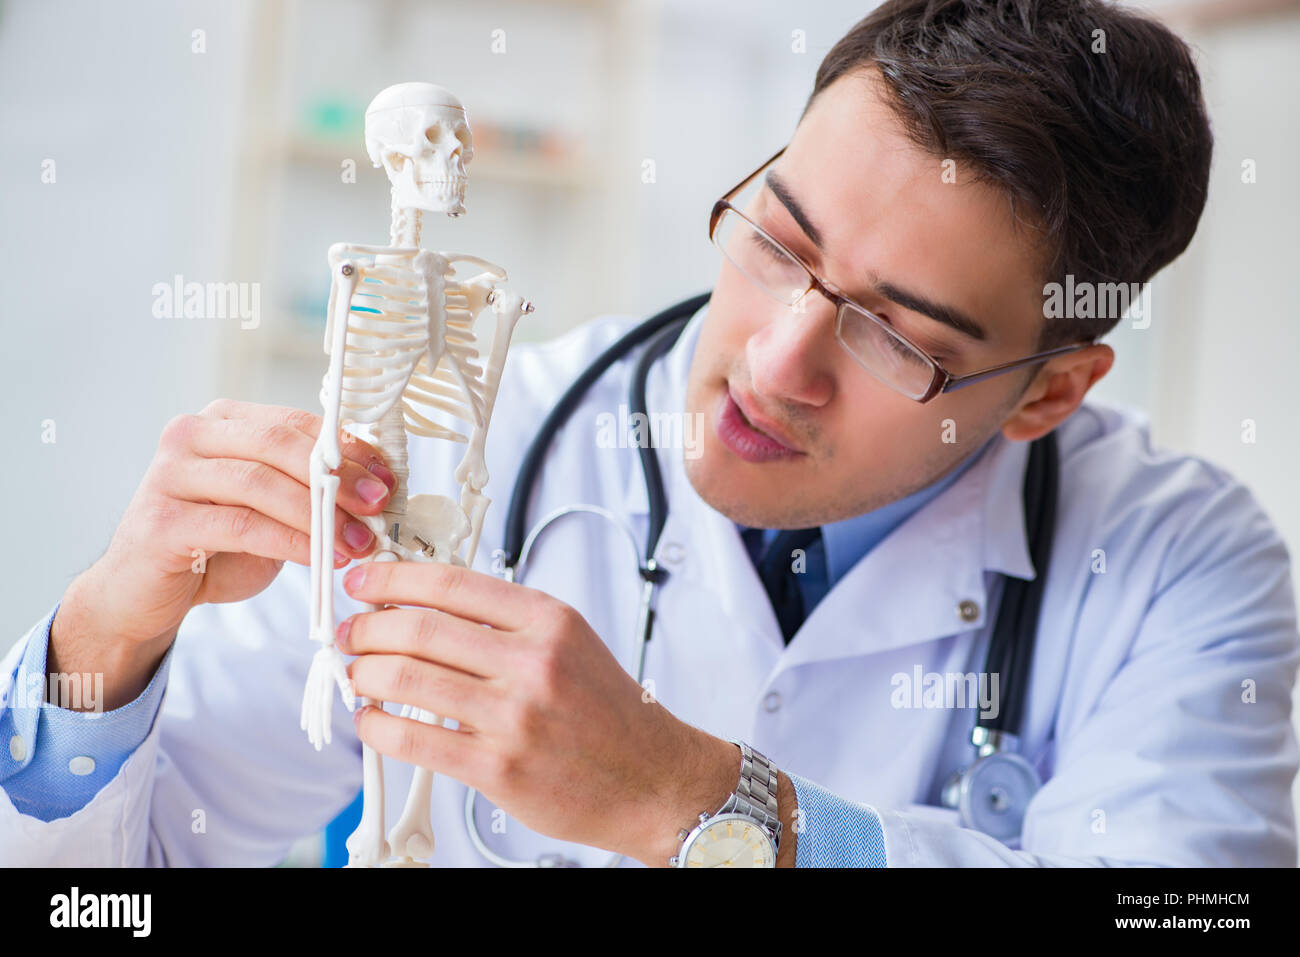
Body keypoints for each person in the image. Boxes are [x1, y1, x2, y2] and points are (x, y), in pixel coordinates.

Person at [2, 0, 1296, 867]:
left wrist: (696, 800)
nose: (777, 363)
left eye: (901, 337)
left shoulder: (1187, 565)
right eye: (781, 240)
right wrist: (102, 645)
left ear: (1047, 390)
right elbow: (124, 873)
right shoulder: (473, 450)